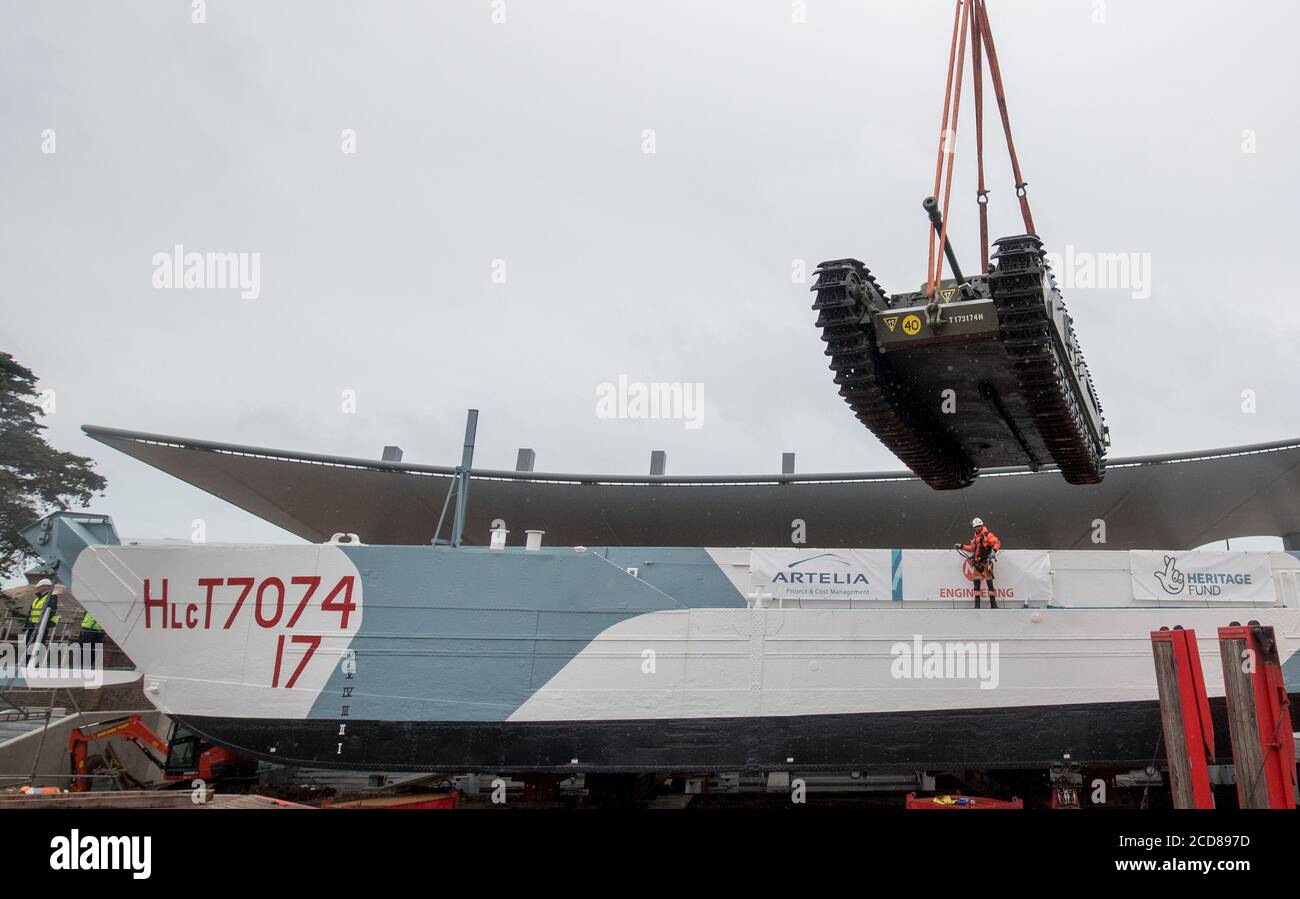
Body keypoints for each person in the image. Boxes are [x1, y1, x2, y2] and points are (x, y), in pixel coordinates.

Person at [957, 518, 1002, 609]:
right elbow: (972, 549)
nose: (977, 528)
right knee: (976, 585)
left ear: (982, 525)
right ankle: (977, 606)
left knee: (990, 584)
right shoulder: (975, 538)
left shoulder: (988, 535)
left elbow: (996, 542)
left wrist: (994, 551)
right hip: (977, 564)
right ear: (974, 527)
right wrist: (961, 546)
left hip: (986, 563)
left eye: (978, 526)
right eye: (975, 526)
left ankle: (993, 605)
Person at [24, 578, 60, 645]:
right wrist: (27, 623)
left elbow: (51, 611)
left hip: (42, 624)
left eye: (39, 586)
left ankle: (36, 655)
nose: (37, 588)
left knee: (38, 643)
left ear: (45, 587)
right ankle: (28, 655)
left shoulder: (52, 596)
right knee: (29, 642)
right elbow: (31, 611)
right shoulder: (38, 597)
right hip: (33, 624)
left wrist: (43, 622)